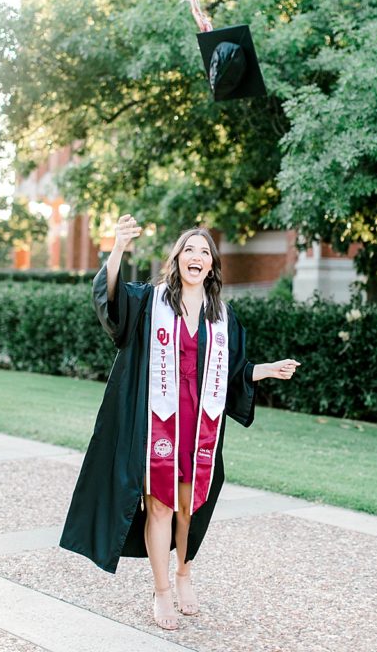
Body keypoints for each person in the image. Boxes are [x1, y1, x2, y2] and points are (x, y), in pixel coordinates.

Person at [59, 214, 299, 631]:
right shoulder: (150, 302)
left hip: (199, 425)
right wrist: (117, 246)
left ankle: (184, 573)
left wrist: (266, 370)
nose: (197, 256)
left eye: (204, 251)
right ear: (177, 259)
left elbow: (234, 371)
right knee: (159, 507)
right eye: (189, 249)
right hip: (155, 423)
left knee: (187, 508)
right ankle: (162, 590)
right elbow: (110, 300)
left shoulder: (223, 318)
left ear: (211, 267)